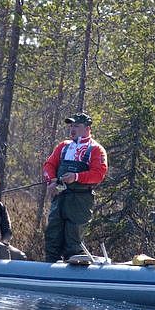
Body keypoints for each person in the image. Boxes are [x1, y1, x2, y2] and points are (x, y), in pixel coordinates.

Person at [43, 112, 108, 262]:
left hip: (80, 200)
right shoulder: (63, 146)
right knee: (52, 236)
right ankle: (49, 269)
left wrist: (76, 177)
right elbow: (49, 165)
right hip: (60, 198)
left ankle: (72, 273)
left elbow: (99, 173)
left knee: (73, 240)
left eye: (76, 126)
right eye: (71, 126)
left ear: (87, 128)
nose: (72, 129)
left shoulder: (96, 149)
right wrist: (51, 181)